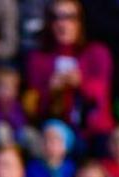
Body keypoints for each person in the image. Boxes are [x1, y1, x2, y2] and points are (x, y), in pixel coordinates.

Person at [24, 0, 114, 146]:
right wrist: (50, 89)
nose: (62, 24)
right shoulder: (38, 58)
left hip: (93, 132)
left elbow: (100, 94)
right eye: (56, 18)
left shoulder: (97, 52)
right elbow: (33, 106)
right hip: (53, 132)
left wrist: (80, 83)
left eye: (70, 17)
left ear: (80, 22)